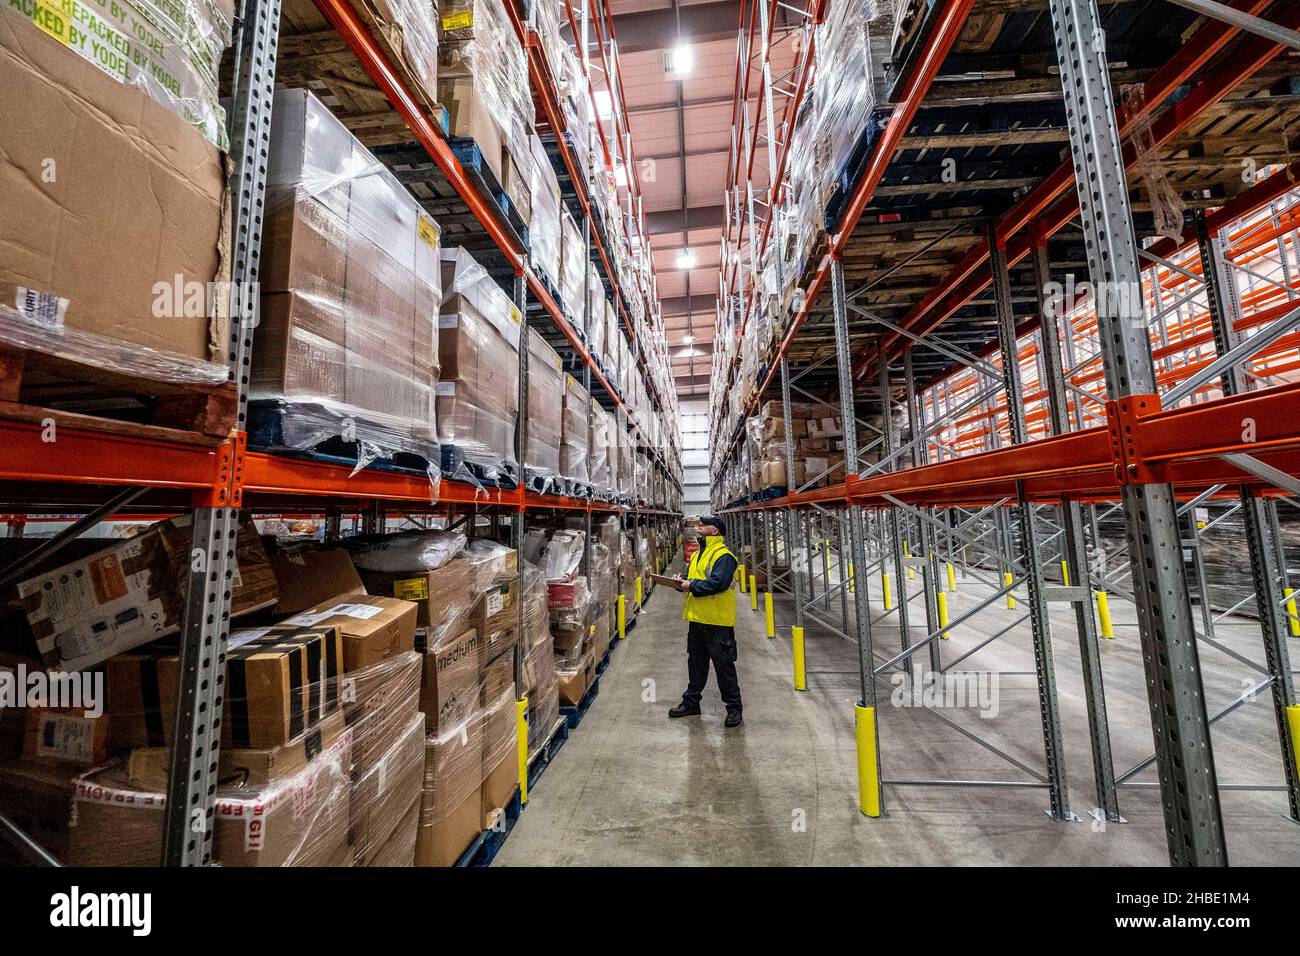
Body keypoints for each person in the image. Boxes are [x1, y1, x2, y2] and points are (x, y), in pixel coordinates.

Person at [669, 515, 743, 727]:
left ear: (716, 531)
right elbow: (692, 579)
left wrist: (689, 586)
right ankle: (691, 703)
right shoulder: (697, 554)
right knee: (696, 664)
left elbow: (717, 584)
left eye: (704, 525)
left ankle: (734, 709)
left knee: (724, 667)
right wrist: (679, 582)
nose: (699, 527)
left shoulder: (724, 556)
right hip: (697, 619)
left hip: (717, 622)